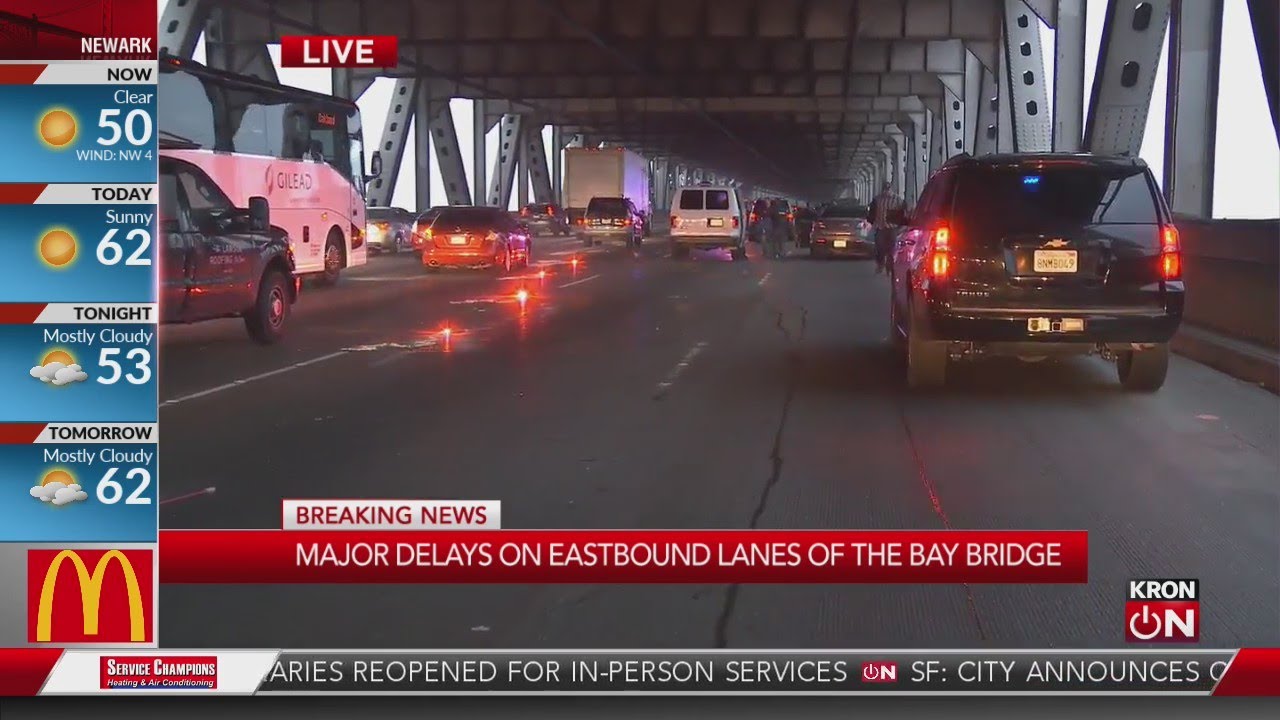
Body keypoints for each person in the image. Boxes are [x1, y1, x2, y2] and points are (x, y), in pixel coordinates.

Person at [869, 182, 905, 273]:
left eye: (888, 189)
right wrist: (871, 222)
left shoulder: (897, 199)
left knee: (891, 248)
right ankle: (880, 264)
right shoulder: (877, 199)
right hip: (880, 226)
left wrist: (901, 225)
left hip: (892, 227)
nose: (886, 191)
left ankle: (889, 265)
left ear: (891, 189)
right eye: (885, 189)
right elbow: (872, 212)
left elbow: (902, 212)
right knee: (879, 247)